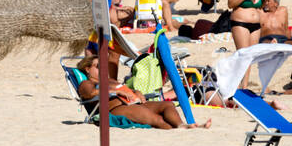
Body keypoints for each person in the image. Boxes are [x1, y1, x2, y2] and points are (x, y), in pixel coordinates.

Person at [76, 55, 210, 129]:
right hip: (116, 108)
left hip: (133, 103)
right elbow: (90, 93)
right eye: (99, 66)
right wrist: (117, 93)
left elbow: (126, 89)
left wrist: (137, 92)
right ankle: (184, 128)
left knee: (167, 105)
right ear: (87, 69)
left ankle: (181, 125)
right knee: (155, 118)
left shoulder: (110, 80)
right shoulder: (87, 83)